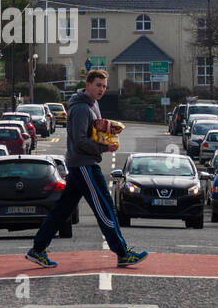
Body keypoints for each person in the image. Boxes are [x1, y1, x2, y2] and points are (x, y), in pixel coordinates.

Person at [25, 69, 147, 269]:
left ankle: (38, 249)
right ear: (88, 84)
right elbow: (80, 140)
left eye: (104, 86)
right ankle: (122, 252)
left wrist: (106, 128)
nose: (101, 89)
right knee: (104, 207)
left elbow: (92, 131)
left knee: (63, 209)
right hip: (83, 164)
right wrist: (104, 147)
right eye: (98, 85)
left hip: (85, 163)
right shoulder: (81, 108)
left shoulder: (91, 105)